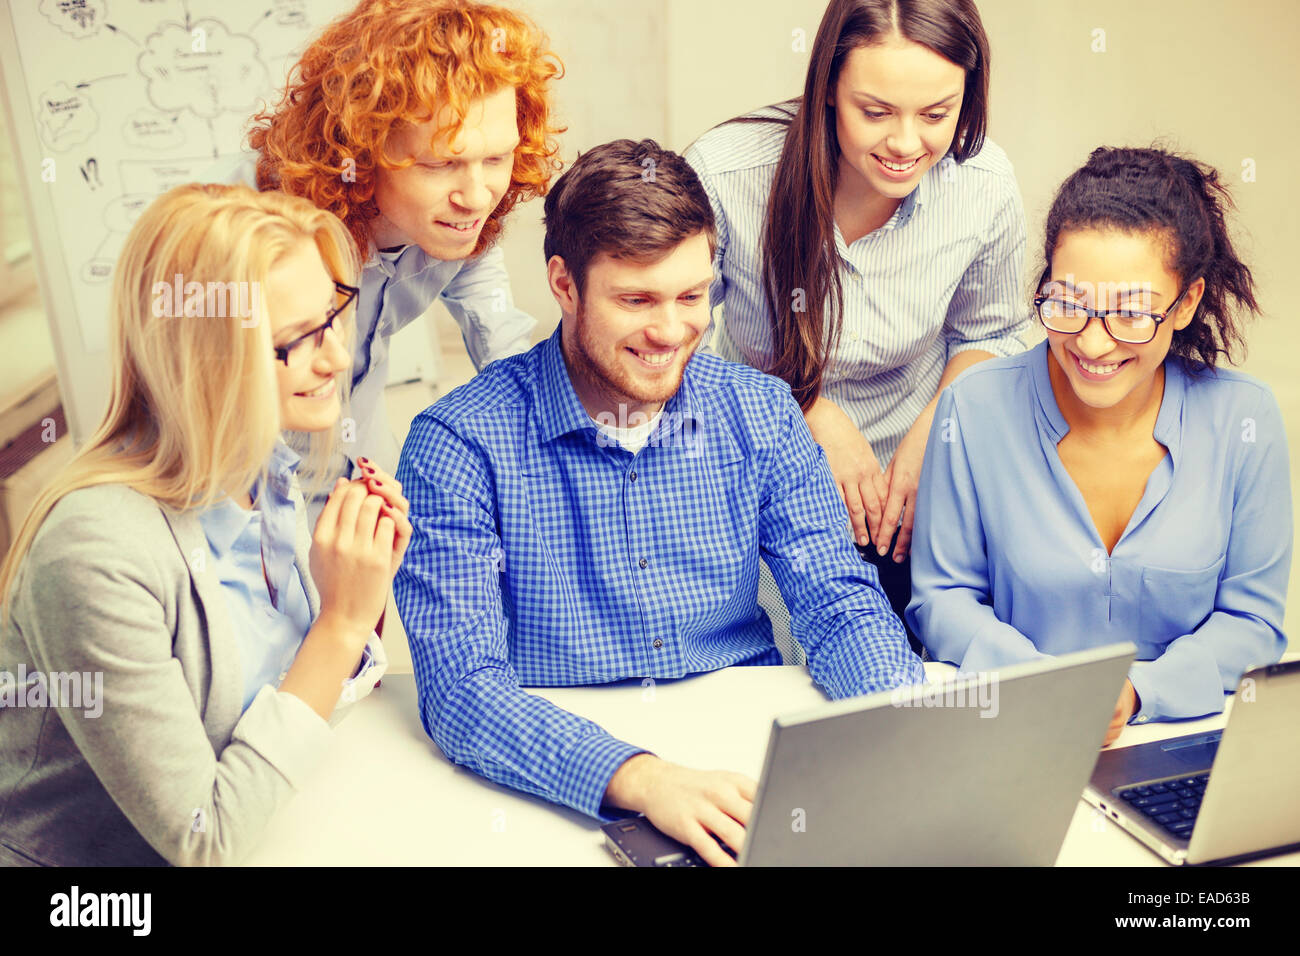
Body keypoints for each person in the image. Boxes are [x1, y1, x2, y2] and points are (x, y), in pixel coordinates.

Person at [393, 139, 925, 868]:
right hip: (557, 787)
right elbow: (461, 689)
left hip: (747, 765)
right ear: (564, 285)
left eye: (691, 295)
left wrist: (897, 726)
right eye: (636, 300)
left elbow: (838, 603)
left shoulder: (762, 413)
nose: (671, 331)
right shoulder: (458, 445)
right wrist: (644, 780)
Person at [0, 184, 412, 866]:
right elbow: (204, 839)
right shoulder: (93, 553)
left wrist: (352, 584)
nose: (337, 357)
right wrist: (343, 620)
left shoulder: (266, 474)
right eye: (295, 340)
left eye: (333, 316)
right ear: (206, 359)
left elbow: (286, 711)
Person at [907, 147, 1291, 746]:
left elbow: (1253, 621)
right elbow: (942, 599)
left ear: (1185, 303)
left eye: (1132, 313)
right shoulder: (974, 408)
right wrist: (1047, 689)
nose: (1092, 342)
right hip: (1013, 731)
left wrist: (1141, 693)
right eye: (1067, 304)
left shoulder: (1245, 417)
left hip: (1183, 739)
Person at [683, 0, 1029, 640]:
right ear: (827, 92)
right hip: (759, 478)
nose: (905, 144)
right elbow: (671, 344)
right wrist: (803, 411)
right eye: (874, 112)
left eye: (936, 114)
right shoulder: (727, 173)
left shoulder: (983, 183)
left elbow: (992, 330)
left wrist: (939, 431)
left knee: (935, 680)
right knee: (776, 672)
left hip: (918, 489)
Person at [225, 0, 563, 514]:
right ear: (360, 152)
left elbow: (499, 339)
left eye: (496, 157)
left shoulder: (459, 223)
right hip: (244, 476)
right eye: (439, 164)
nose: (476, 195)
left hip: (358, 458)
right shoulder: (256, 232)